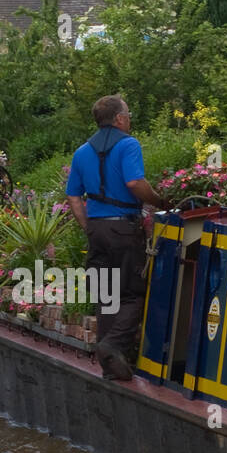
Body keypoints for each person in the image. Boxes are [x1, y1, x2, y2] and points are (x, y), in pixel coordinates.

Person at [65, 95, 166, 381]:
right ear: (119, 119)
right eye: (128, 113)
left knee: (106, 294)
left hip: (97, 228)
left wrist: (88, 226)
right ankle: (112, 345)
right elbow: (134, 182)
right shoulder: (129, 144)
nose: (130, 118)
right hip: (124, 227)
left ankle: (112, 366)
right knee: (134, 293)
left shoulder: (81, 151)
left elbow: (73, 196)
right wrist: (158, 200)